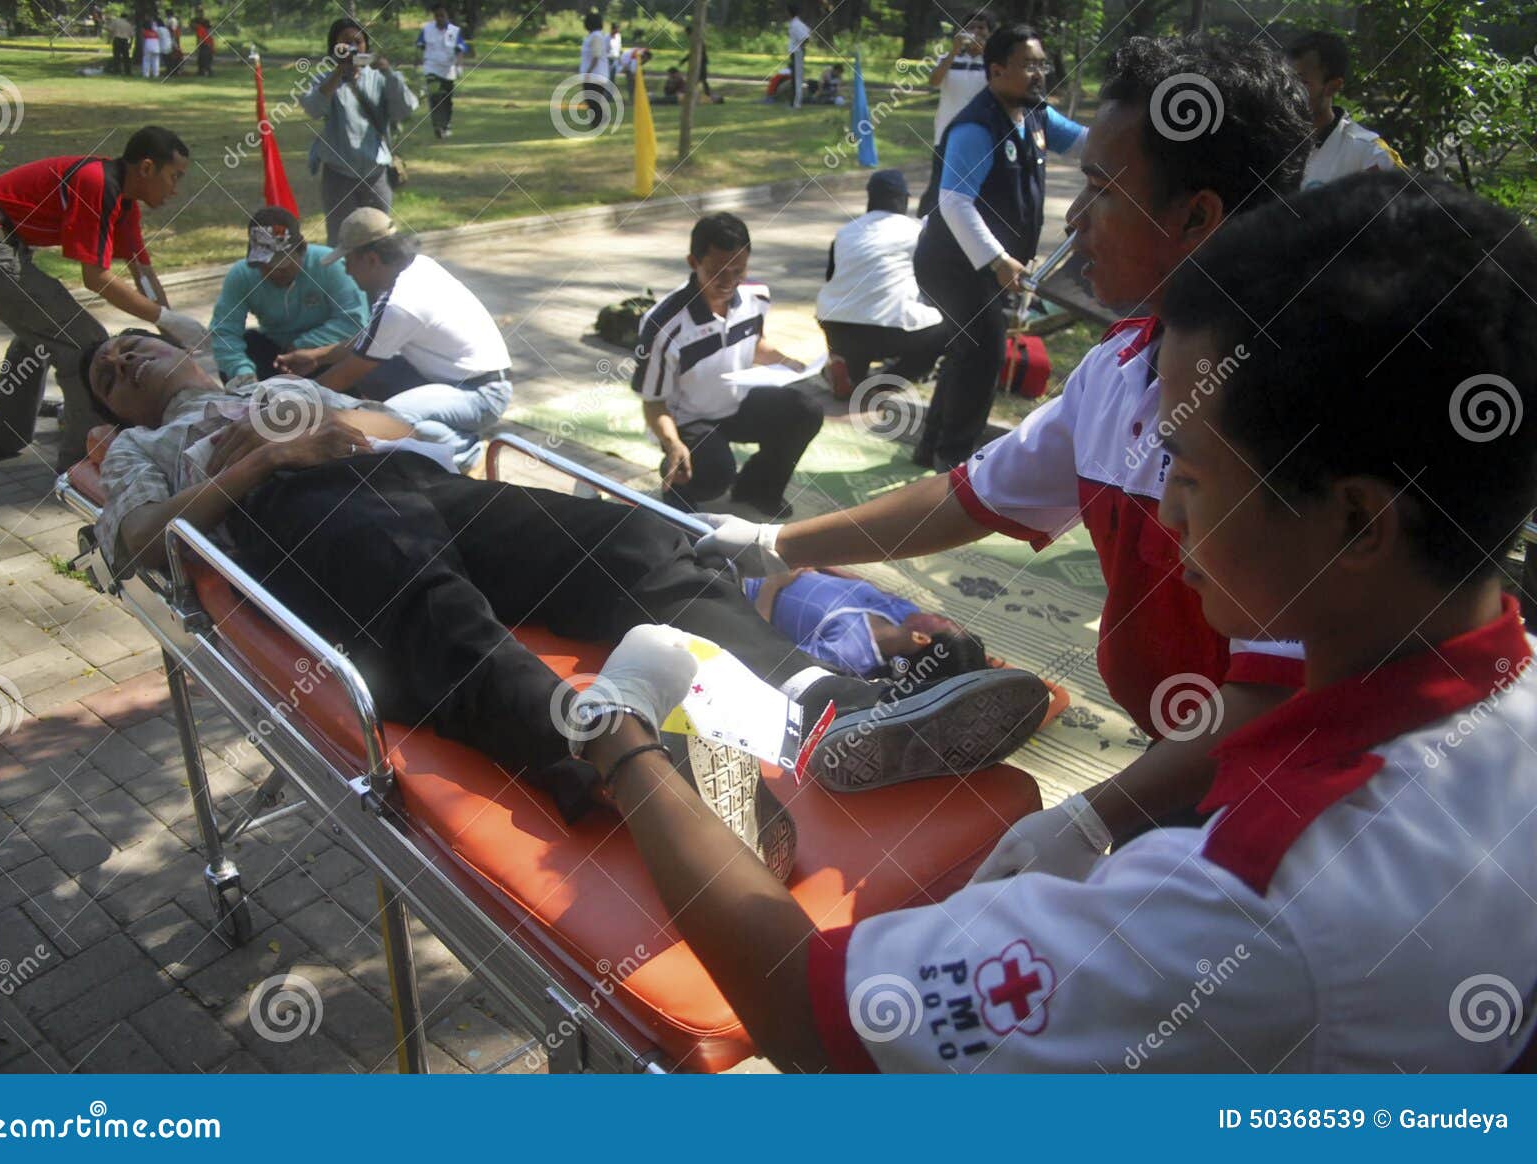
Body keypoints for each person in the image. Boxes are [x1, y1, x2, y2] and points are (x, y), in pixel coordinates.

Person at [573, 170, 1537, 1073]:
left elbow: (806, 1010)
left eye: (1193, 478)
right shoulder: (1504, 702)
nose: (1167, 515)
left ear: (1358, 520)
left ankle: (832, 684)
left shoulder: (1243, 901)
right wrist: (784, 545)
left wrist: (624, 745)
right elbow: (971, 495)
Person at [699, 34, 1317, 855]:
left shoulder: (1290, 412)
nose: (1073, 219)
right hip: (1181, 768)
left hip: (1283, 800)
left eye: (1100, 190)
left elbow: (1276, 699)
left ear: (1196, 216)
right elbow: (970, 496)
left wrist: (1096, 817)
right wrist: (777, 542)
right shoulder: (1120, 368)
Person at [83, 330, 1052, 829]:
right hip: (288, 517)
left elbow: (409, 431)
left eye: (133, 344)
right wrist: (255, 465)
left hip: (406, 479)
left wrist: (330, 428)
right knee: (432, 613)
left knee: (632, 545)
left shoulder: (273, 386)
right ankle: (624, 770)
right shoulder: (145, 447)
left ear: (187, 348)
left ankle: (829, 705)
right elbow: (133, 542)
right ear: (121, 406)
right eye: (110, 373)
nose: (126, 359)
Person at [0, 126, 202, 471]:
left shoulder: (124, 205)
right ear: (147, 168)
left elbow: (143, 274)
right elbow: (96, 279)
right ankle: (82, 467)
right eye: (174, 176)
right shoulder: (97, 182)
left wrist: (173, 332)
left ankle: (0, 442)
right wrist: (168, 321)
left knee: (41, 336)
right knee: (87, 344)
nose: (175, 190)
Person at [913, 24, 1086, 471]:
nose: (1039, 73)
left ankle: (932, 448)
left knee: (967, 350)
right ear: (996, 71)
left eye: (1041, 64)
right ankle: (956, 463)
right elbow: (955, 201)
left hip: (989, 266)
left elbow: (1089, 142)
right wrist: (995, 259)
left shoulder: (1036, 115)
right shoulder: (976, 125)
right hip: (952, 264)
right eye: (1028, 65)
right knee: (984, 352)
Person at [274, 209, 509, 471]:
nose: (347, 271)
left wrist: (293, 407)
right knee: (390, 406)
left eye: (348, 261)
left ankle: (466, 453)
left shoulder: (401, 302)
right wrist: (316, 356)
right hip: (456, 381)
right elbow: (366, 344)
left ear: (372, 259)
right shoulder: (419, 267)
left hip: (480, 394)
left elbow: (348, 373)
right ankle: (439, 437)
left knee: (385, 420)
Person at [633, 213, 821, 520]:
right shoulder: (664, 324)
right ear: (693, 262)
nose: (729, 283)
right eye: (717, 272)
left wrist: (789, 363)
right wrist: (672, 443)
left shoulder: (756, 296)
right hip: (687, 419)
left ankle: (757, 489)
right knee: (715, 473)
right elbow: (653, 401)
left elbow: (754, 344)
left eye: (738, 271)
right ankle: (678, 483)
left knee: (806, 411)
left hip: (737, 401)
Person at [816, 170, 947, 399]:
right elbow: (933, 281)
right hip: (891, 331)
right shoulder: (918, 231)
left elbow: (831, 277)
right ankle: (886, 383)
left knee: (859, 333)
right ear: (904, 199)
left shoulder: (845, 232)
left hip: (835, 325)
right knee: (948, 329)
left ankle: (847, 369)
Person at [208, 208, 369, 387]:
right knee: (248, 345)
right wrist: (242, 373)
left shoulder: (329, 264)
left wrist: (305, 345)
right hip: (276, 357)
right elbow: (224, 332)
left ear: (302, 250)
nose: (274, 272)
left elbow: (354, 321)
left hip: (325, 355)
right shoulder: (241, 275)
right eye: (265, 265)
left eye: (282, 264)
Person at [745, 568, 987, 682]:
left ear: (921, 639)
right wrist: (815, 565)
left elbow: (768, 655)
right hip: (769, 564)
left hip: (742, 590)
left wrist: (772, 586)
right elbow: (856, 584)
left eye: (942, 621)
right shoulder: (902, 612)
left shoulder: (851, 655)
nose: (937, 614)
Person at [300, 18, 417, 246]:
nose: (353, 48)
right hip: (339, 174)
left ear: (366, 46)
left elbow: (404, 109)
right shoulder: (325, 79)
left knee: (381, 238)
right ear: (334, 48)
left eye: (359, 42)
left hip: (376, 173)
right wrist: (338, 73)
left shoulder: (380, 77)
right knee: (341, 240)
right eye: (346, 43)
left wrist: (390, 73)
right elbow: (313, 108)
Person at [1286, 29, 1401, 188]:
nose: (1288, 90)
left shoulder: (1370, 155)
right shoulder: (1269, 143)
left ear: (1332, 87)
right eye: (1284, 80)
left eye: (1301, 82)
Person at [918, 10, 994, 218]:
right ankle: (929, 223)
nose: (976, 32)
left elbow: (998, 86)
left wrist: (987, 53)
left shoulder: (994, 62)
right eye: (971, 27)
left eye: (981, 28)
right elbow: (934, 81)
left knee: (980, 185)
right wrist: (954, 51)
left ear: (989, 32)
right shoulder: (947, 58)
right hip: (946, 132)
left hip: (982, 135)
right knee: (940, 182)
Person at [418, 4, 468, 139]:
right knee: (435, 97)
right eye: (437, 16)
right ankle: (437, 126)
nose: (440, 18)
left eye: (442, 15)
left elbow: (459, 49)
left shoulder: (452, 31)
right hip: (431, 69)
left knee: (446, 99)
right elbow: (420, 46)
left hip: (447, 70)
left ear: (447, 16)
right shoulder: (427, 29)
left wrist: (459, 65)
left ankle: (446, 124)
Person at [579, 11, 611, 130]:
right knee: (593, 100)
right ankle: (599, 121)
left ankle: (597, 123)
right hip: (594, 74)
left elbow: (596, 56)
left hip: (595, 75)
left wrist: (588, 71)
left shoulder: (596, 36)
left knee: (593, 100)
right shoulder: (593, 36)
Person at [785, 4, 809, 110]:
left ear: (789, 12)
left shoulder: (796, 24)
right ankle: (794, 101)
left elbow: (805, 38)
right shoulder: (796, 23)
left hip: (797, 53)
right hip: (795, 53)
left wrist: (801, 49)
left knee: (797, 79)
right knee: (795, 78)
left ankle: (796, 103)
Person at [108, 10, 134, 76]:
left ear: (120, 16)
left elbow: (110, 30)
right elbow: (132, 36)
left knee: (117, 56)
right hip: (125, 41)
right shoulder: (128, 24)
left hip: (117, 40)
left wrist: (110, 38)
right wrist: (130, 44)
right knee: (126, 57)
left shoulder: (116, 21)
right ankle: (128, 72)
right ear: (126, 17)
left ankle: (117, 71)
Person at [192, 11, 213, 77]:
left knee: (204, 60)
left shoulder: (200, 29)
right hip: (207, 46)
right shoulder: (201, 28)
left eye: (193, 24)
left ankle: (207, 73)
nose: (193, 26)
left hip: (206, 46)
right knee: (201, 60)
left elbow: (200, 39)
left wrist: (197, 47)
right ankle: (201, 72)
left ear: (197, 24)